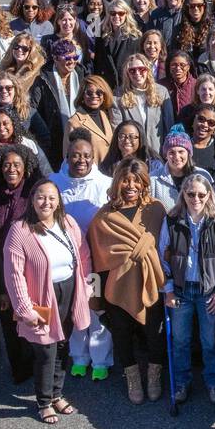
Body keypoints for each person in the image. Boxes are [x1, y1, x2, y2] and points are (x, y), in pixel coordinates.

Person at [4, 179, 93, 423]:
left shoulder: (68, 223)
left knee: (63, 344)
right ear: (32, 200)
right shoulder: (20, 230)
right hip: (41, 297)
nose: (47, 202)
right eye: (41, 197)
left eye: (52, 197)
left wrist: (85, 287)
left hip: (69, 290)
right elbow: (13, 274)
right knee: (45, 349)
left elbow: (83, 256)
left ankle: (57, 393)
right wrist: (24, 307)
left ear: (58, 201)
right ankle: (43, 401)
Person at [87, 159, 168, 405]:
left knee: (155, 334)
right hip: (115, 286)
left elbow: (166, 247)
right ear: (117, 182)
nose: (130, 185)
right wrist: (96, 297)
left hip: (151, 283)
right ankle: (132, 377)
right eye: (125, 180)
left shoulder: (156, 210)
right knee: (121, 335)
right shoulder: (104, 217)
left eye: (136, 180)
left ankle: (154, 375)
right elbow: (96, 262)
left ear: (145, 183)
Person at [162, 172, 215, 405]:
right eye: (191, 193)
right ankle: (182, 382)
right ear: (183, 195)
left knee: (210, 341)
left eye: (201, 194)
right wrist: (168, 289)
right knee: (180, 341)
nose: (196, 198)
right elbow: (162, 256)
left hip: (208, 292)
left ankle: (213, 382)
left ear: (209, 195)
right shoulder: (172, 220)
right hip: (181, 290)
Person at [51, 130, 115, 380]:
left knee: (96, 309)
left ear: (93, 158)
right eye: (75, 155)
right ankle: (79, 356)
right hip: (65, 262)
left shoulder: (105, 185)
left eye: (86, 156)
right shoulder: (54, 183)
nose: (81, 160)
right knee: (73, 309)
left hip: (96, 262)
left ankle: (100, 358)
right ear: (67, 157)